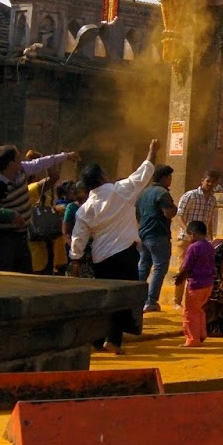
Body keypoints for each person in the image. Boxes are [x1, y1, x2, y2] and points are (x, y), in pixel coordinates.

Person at [70, 141, 158, 354]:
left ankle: (98, 340)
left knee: (106, 299)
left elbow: (78, 236)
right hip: (125, 253)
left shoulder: (85, 209)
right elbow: (143, 173)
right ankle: (113, 340)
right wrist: (152, 152)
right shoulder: (120, 191)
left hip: (101, 258)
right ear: (102, 177)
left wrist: (75, 259)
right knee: (122, 299)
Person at [0, 145, 76, 272]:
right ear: (11, 164)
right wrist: (10, 215)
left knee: (25, 272)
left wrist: (67, 156)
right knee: (4, 272)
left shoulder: (21, 170)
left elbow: (41, 163)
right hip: (3, 238)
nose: (21, 160)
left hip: (22, 235)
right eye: (18, 158)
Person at [135, 165, 177, 313]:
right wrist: (175, 208)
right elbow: (168, 213)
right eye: (170, 177)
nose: (171, 180)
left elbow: (138, 215)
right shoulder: (162, 193)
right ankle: (151, 301)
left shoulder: (143, 193)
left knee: (143, 267)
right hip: (158, 235)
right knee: (159, 268)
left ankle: (136, 299)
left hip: (143, 234)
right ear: (165, 178)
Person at [175, 219, 216, 347]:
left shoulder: (193, 247)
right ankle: (201, 333)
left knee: (190, 312)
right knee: (199, 310)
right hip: (208, 284)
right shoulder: (209, 246)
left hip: (196, 284)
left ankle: (192, 339)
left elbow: (186, 265)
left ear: (193, 234)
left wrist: (180, 277)